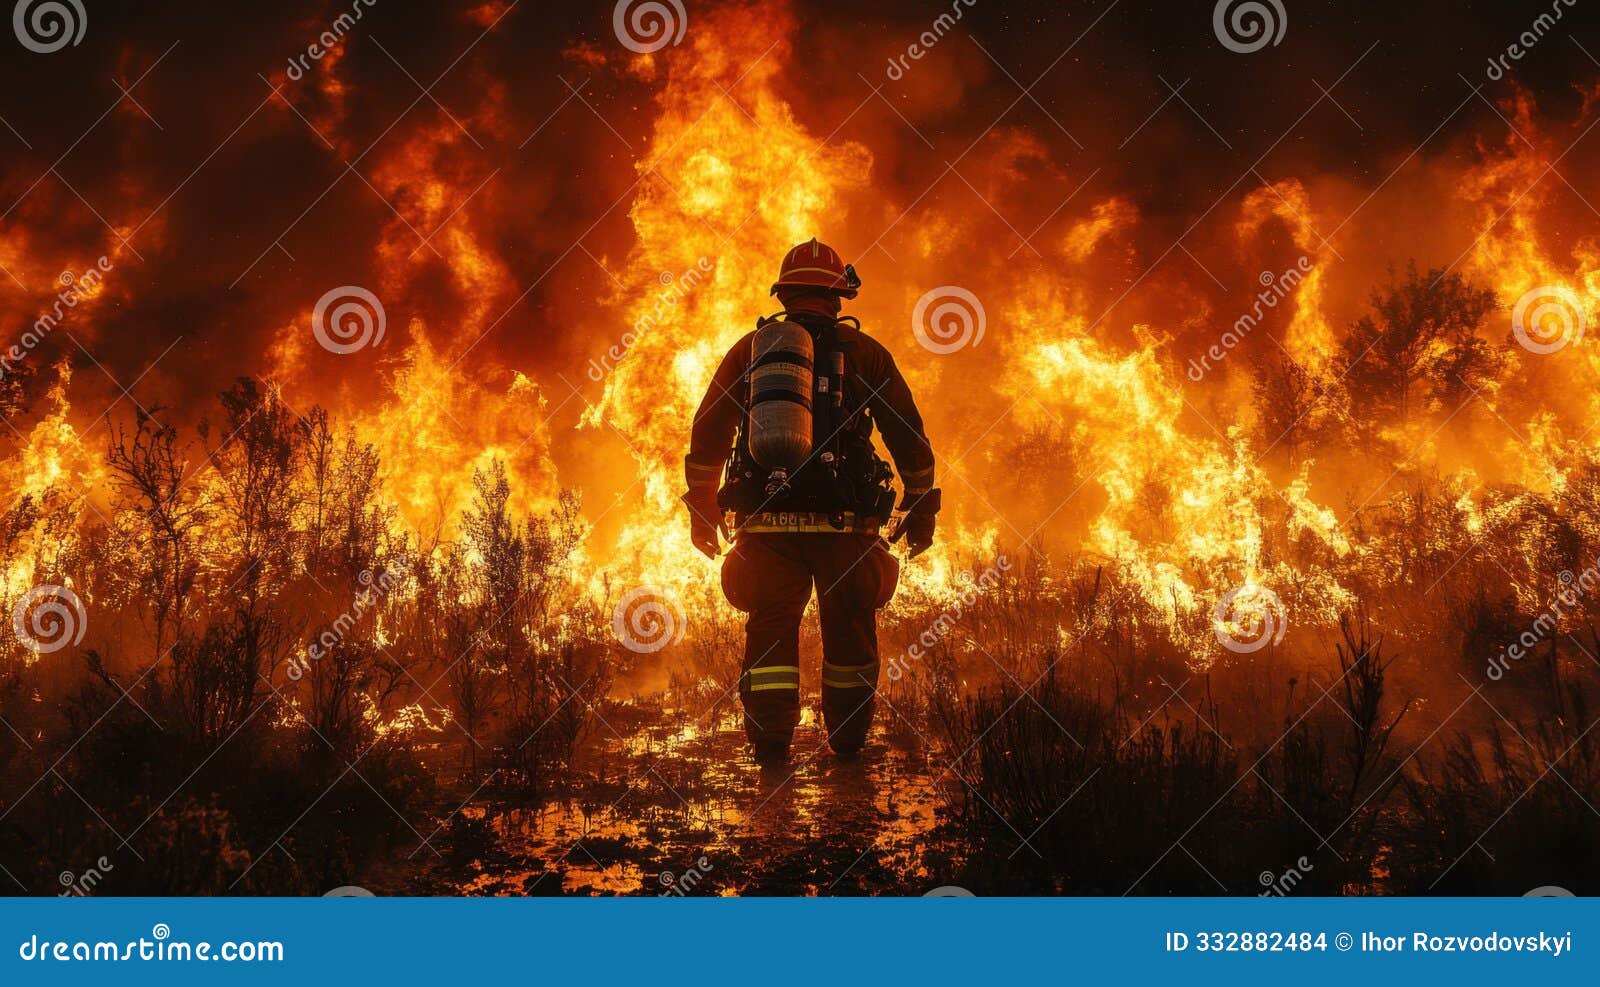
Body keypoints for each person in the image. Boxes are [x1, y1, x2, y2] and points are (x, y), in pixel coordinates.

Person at [681, 238, 939, 767]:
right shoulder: (864, 353)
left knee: (771, 635)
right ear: (838, 297)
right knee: (849, 637)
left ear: (784, 293)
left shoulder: (749, 351)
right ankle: (846, 743)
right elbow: (907, 434)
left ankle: (772, 745)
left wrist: (703, 509)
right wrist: (919, 502)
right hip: (844, 530)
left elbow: (707, 434)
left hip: (767, 528)